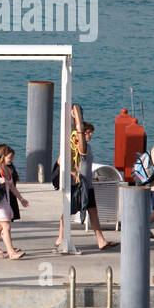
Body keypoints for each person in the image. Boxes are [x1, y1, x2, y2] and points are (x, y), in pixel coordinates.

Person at [54, 106, 112, 252]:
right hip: (77, 185)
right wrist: (73, 173)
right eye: (88, 132)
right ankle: (60, 238)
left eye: (91, 132)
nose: (90, 134)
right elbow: (60, 161)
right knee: (69, 210)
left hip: (88, 184)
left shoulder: (88, 147)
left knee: (93, 211)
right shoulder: (76, 147)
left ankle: (101, 240)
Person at [0, 144, 30, 259]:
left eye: (12, 158)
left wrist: (21, 199)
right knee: (6, 226)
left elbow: (13, 187)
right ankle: (11, 252)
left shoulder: (8, 169)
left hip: (6, 201)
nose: (11, 160)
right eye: (9, 158)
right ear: (3, 157)